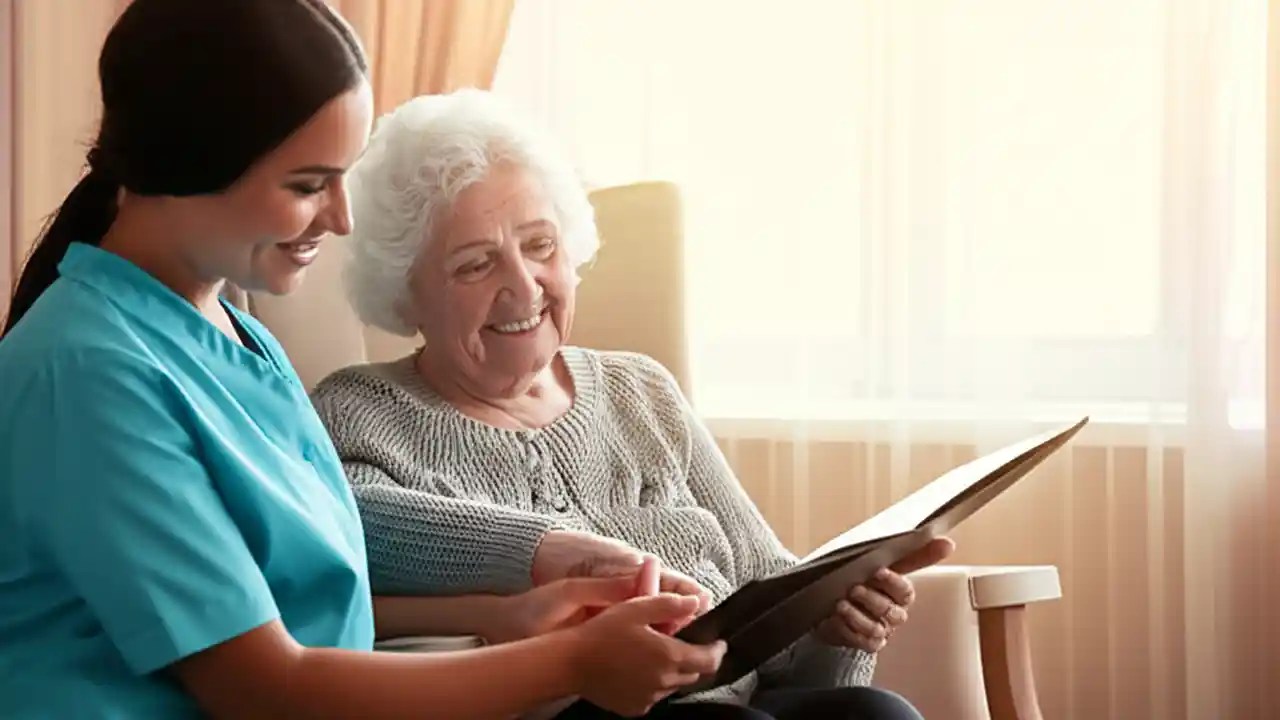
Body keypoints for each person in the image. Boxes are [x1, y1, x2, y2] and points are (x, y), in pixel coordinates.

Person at [0, 3, 730, 718]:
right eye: (309, 185)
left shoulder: (233, 337)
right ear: (190, 164)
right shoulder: (90, 375)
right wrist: (571, 663)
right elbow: (263, 689)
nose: (342, 219)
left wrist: (504, 614)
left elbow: (303, 606)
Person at [309, 89, 955, 719]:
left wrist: (840, 632)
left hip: (739, 705)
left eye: (540, 246)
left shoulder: (642, 390)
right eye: (476, 264)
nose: (523, 285)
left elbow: (776, 621)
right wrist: (548, 549)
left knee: (875, 710)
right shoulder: (358, 410)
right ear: (405, 290)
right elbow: (348, 529)